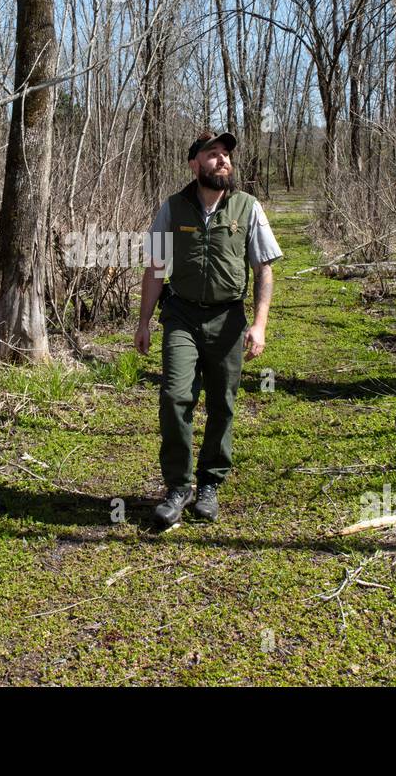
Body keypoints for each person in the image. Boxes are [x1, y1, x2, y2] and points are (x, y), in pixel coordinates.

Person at [133, 130, 283, 527]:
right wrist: (144, 321)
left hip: (228, 319)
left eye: (226, 155)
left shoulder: (247, 207)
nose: (223, 161)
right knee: (175, 396)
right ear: (194, 164)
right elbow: (155, 269)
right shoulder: (173, 208)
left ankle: (210, 483)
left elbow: (263, 268)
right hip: (181, 316)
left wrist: (259, 325)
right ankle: (178, 487)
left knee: (222, 402)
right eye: (213, 154)